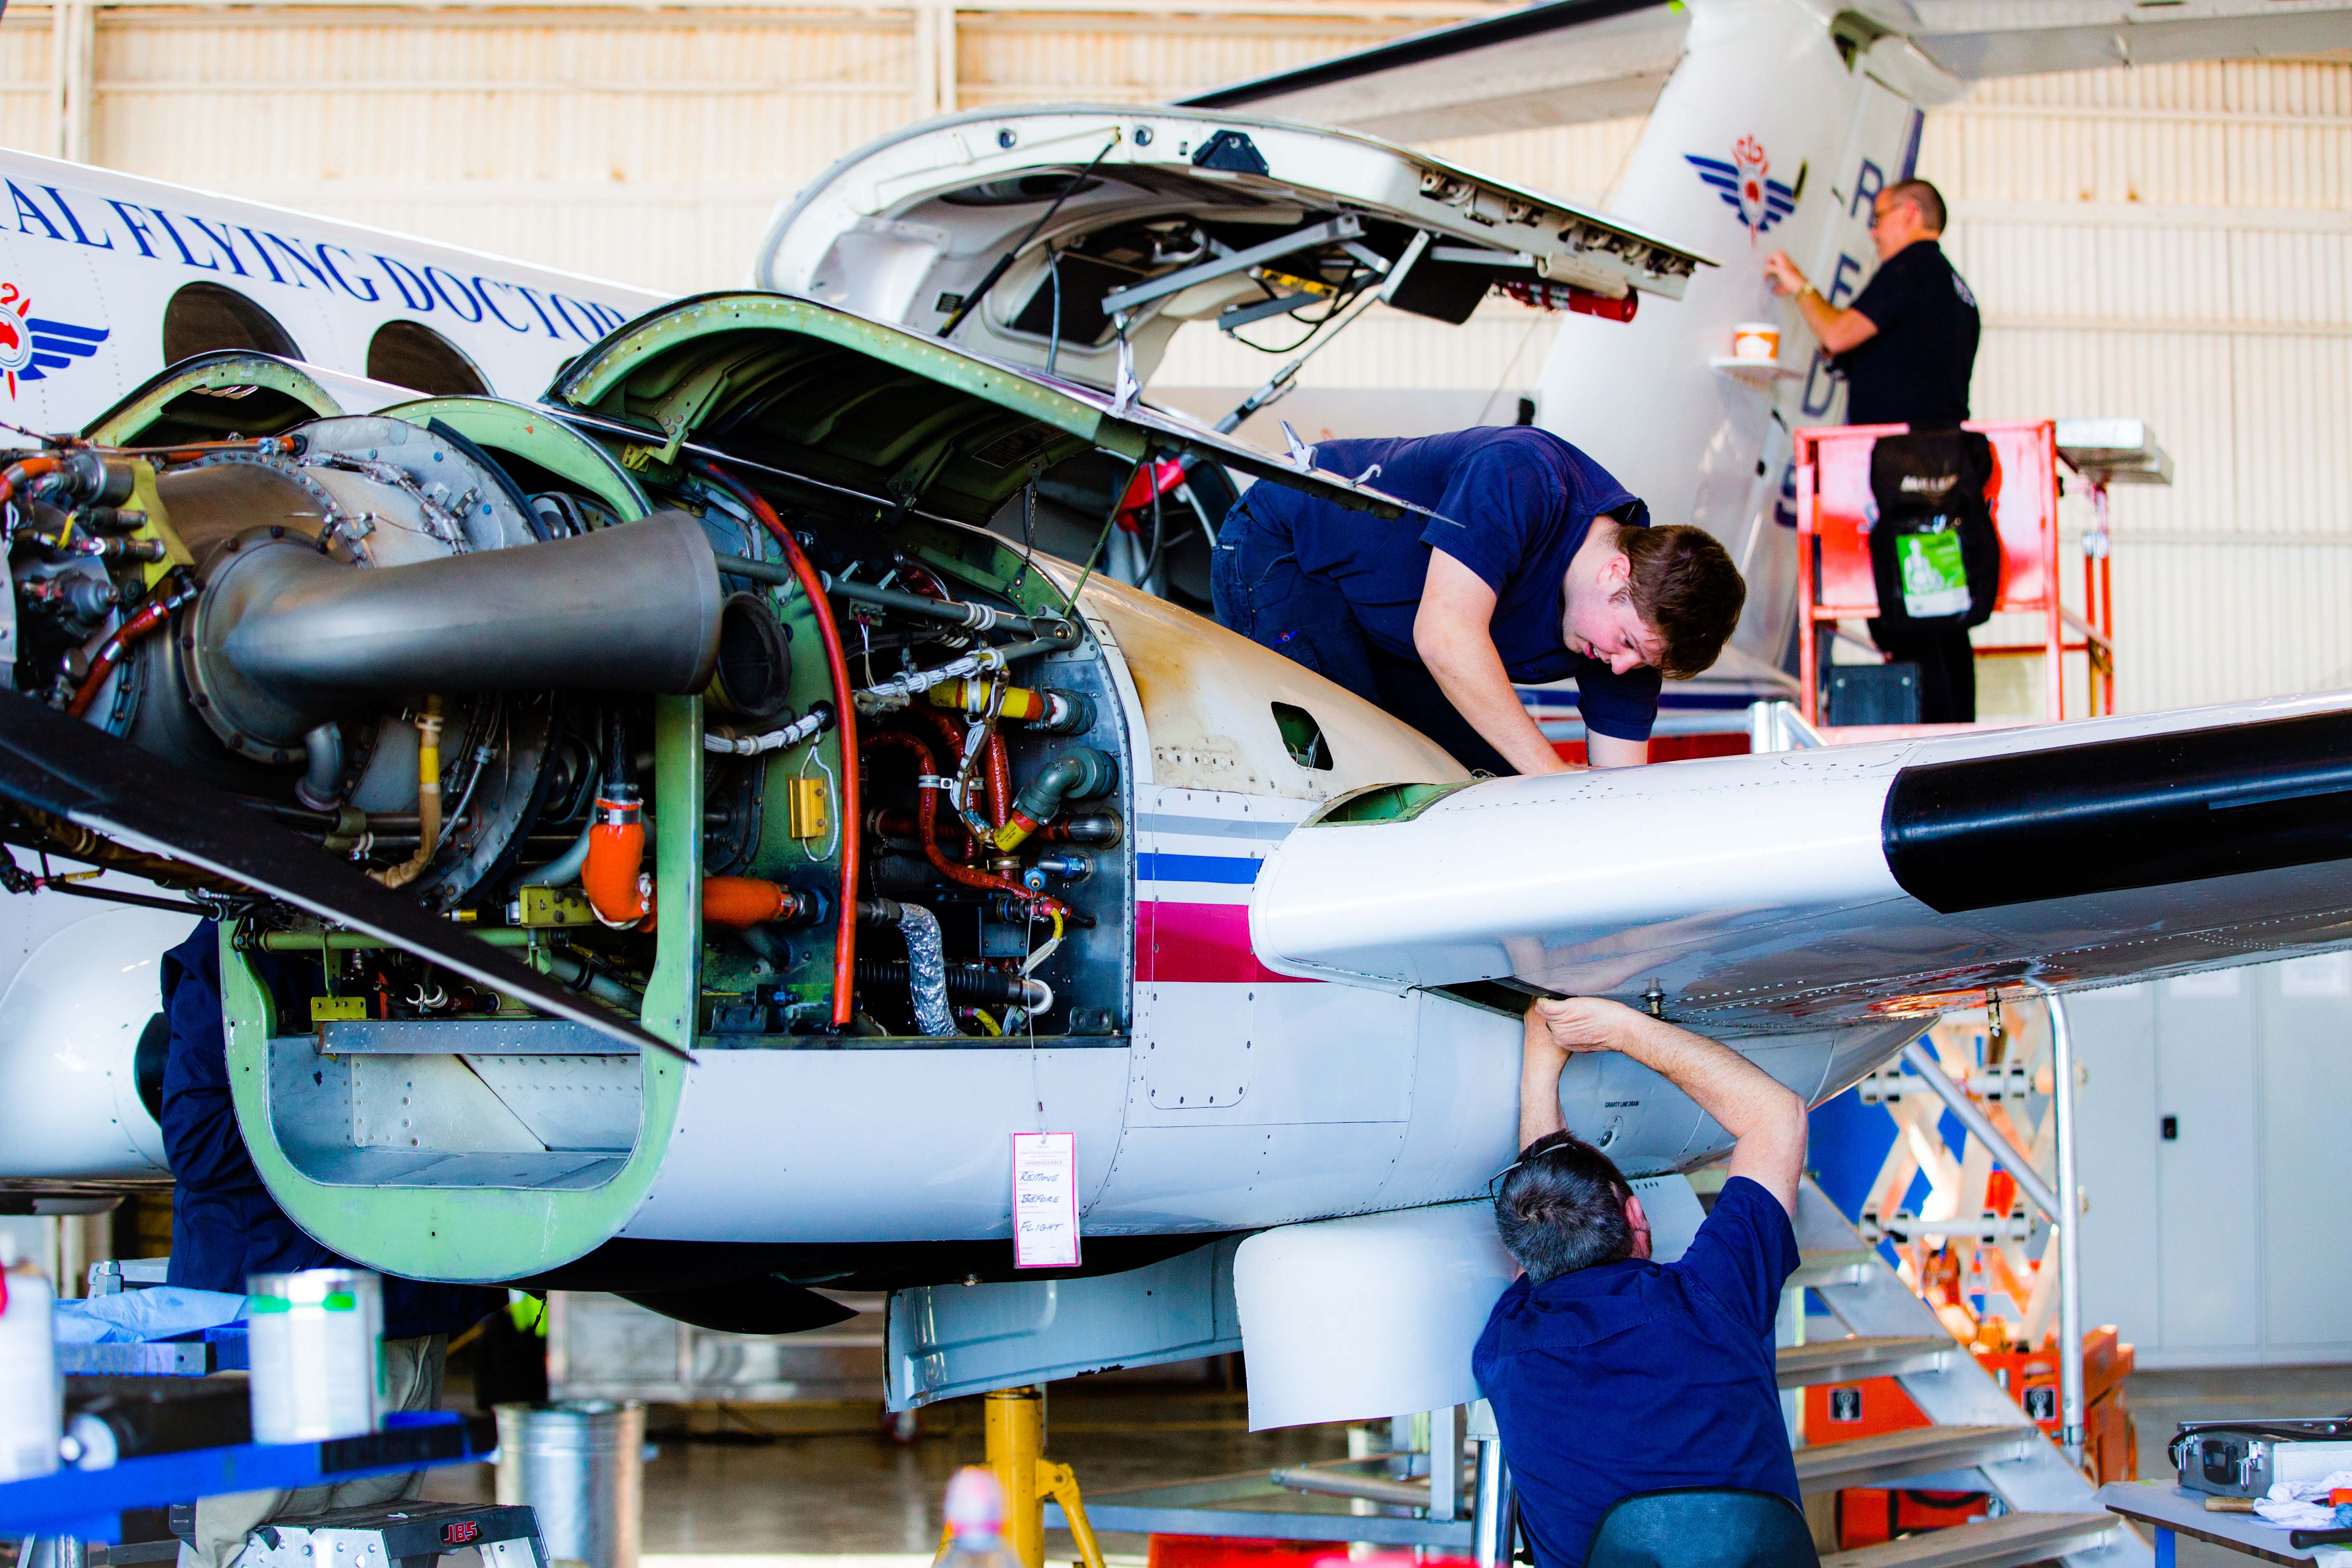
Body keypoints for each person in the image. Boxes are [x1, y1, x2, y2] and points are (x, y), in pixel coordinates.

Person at [161, 921, 498, 1568]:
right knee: (265, 1543)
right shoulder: (235, 953)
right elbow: (201, 1144)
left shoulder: (400, 937)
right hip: (298, 1320)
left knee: (329, 1544)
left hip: (386, 1312)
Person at [1473, 996, 1810, 1568]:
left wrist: (1539, 1066)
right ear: (1636, 1217)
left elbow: (1541, 1227)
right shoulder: (1714, 1298)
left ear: (1521, 1255)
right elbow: (1776, 1115)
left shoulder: (1508, 1349)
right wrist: (1624, 1029)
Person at [1211, 427, 1745, 775]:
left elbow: (1620, 790)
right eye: (1627, 644)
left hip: (1392, 627)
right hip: (1290, 549)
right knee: (1349, 772)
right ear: (1614, 572)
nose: (1624, 664)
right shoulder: (1522, 475)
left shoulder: (1640, 627)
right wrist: (1552, 779)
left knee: (1488, 788)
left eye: (1641, 660)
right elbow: (1444, 634)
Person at [1763, 178, 1985, 722]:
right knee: (1939, 612)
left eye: (1879, 217)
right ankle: (1956, 734)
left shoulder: (1910, 270)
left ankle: (1931, 746)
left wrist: (1798, 287)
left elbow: (1838, 334)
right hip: (1942, 474)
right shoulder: (1953, 287)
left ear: (1909, 214)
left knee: (1905, 614)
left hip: (1908, 474)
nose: (1873, 230)